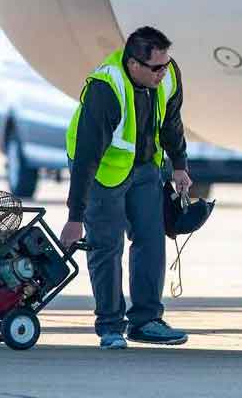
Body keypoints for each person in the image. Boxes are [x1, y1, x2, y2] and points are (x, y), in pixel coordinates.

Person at [59, 26, 193, 349]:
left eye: (166, 63)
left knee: (150, 238)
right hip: (102, 174)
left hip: (145, 167)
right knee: (106, 246)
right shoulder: (106, 90)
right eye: (156, 67)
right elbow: (86, 159)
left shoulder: (169, 75)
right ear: (134, 65)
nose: (164, 72)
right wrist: (75, 217)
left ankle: (146, 321)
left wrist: (179, 165)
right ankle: (110, 326)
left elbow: (171, 122)